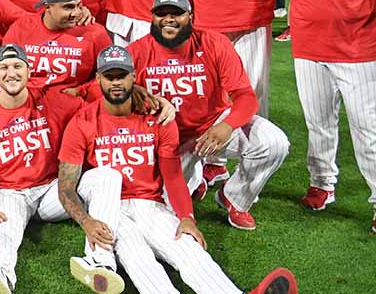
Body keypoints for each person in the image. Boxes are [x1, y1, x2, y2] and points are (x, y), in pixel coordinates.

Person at [59, 46, 297, 294]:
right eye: (109, 76)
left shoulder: (157, 116)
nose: (116, 82)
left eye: (122, 75)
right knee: (139, 259)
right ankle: (99, 259)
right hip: (111, 209)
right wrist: (87, 222)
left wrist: (186, 217)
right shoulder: (82, 121)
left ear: (134, 76)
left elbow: (172, 174)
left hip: (150, 204)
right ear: (98, 79)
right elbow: (66, 187)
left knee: (188, 249)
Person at [0, 44, 124, 294]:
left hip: (54, 189)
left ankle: (100, 262)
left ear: (29, 72)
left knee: (108, 176)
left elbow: (99, 109)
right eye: (4, 68)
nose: (11, 73)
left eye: (17, 66)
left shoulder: (53, 101)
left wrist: (145, 98)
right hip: (11, 192)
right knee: (5, 236)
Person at [129, 0, 289, 230]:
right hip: (168, 140)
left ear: (190, 17)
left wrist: (227, 126)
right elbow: (106, 96)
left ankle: (234, 197)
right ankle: (194, 177)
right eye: (162, 13)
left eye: (176, 13)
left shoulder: (214, 43)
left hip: (212, 125)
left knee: (273, 143)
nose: (168, 19)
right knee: (161, 214)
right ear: (152, 17)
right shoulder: (136, 51)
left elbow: (245, 96)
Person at [275, 0, 376, 229]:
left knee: (368, 129)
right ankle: (322, 183)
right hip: (308, 48)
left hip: (357, 49)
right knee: (318, 123)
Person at [3, 0, 112, 93]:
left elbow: (110, 75)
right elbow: (4, 69)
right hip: (27, 98)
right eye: (68, 7)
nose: (76, 13)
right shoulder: (20, 29)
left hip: (72, 100)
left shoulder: (95, 33)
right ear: (48, 7)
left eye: (79, 6)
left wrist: (80, 90)